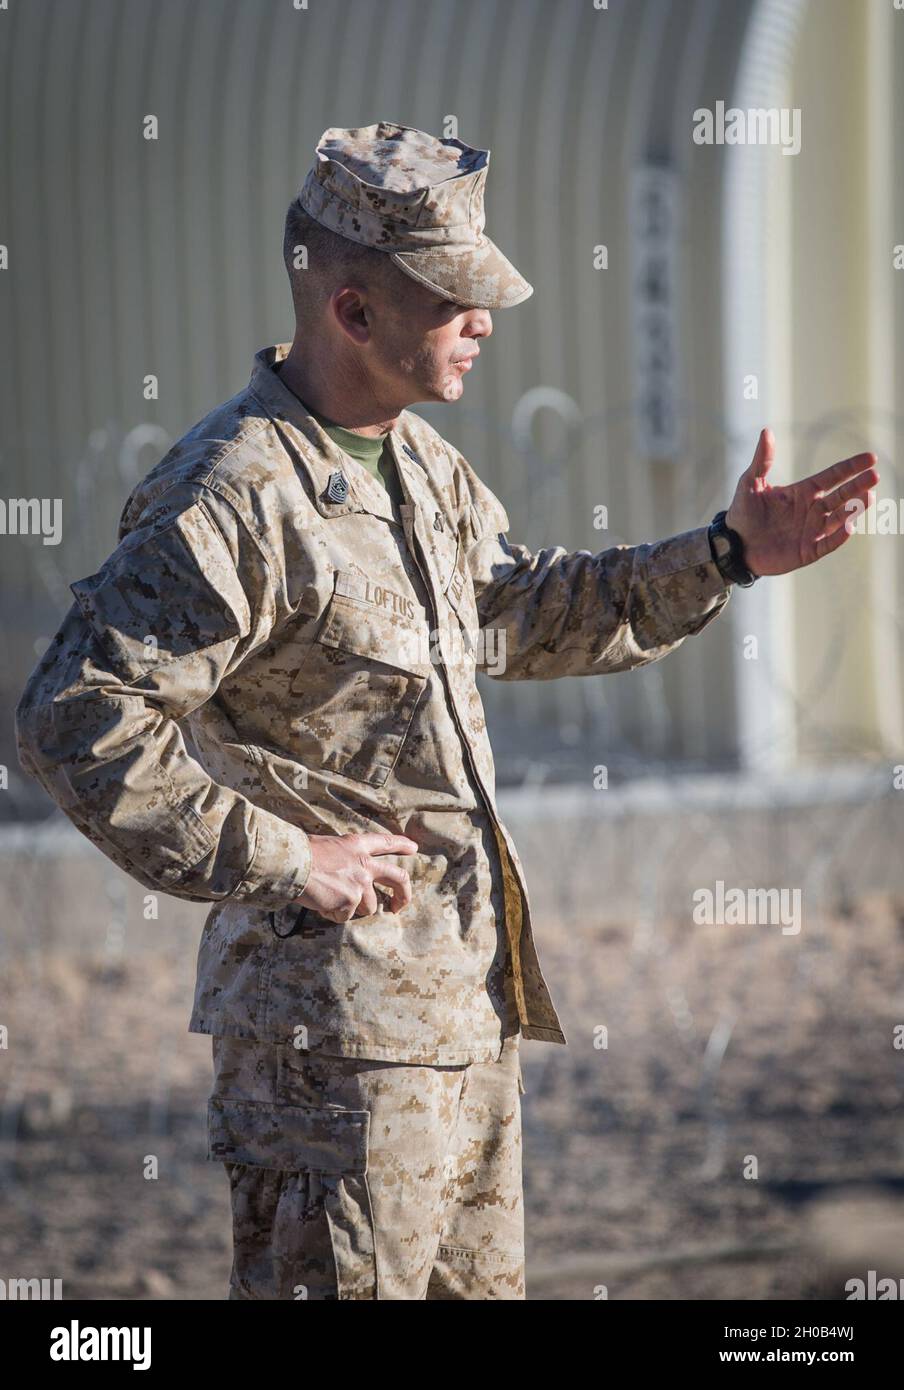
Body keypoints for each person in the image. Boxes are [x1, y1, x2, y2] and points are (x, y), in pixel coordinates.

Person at [15, 122, 879, 1300]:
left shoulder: (414, 465)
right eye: (454, 298)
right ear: (354, 313)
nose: (485, 321)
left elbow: (521, 611)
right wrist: (286, 857)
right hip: (332, 1046)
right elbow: (75, 712)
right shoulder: (231, 501)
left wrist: (723, 554)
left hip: (461, 1006)